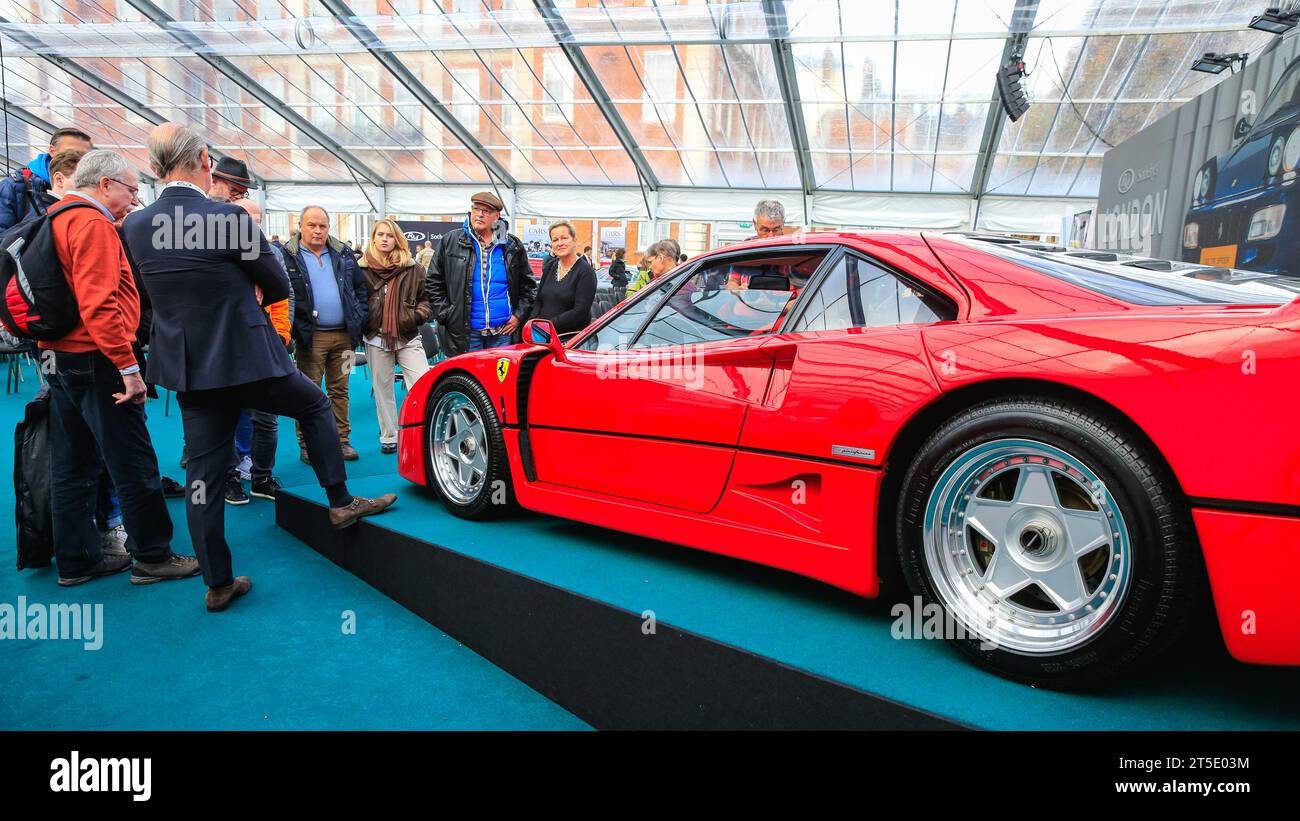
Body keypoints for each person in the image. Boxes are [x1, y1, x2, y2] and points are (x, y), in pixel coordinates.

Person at [121, 123, 396, 612]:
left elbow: (147, 296)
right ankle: (339, 502)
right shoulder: (227, 218)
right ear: (203, 160)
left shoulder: (136, 226)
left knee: (204, 475)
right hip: (248, 360)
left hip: (191, 370)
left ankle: (218, 580)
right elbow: (278, 283)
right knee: (314, 406)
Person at [39, 148, 200, 587]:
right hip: (98, 359)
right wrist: (128, 367)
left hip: (60, 356)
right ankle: (152, 555)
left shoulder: (58, 216)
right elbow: (100, 305)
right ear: (105, 184)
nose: (133, 199)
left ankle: (76, 560)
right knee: (132, 459)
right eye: (130, 189)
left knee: (73, 463)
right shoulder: (92, 224)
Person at [283, 205, 368, 463]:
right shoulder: (288, 256)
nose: (317, 230)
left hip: (345, 337)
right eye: (312, 225)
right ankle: (308, 444)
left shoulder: (343, 254)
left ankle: (342, 441)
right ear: (301, 226)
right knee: (308, 392)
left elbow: (360, 290)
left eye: (322, 226)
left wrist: (359, 317)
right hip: (311, 339)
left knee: (341, 390)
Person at [222, 195, 293, 503]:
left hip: (264, 346)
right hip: (224, 348)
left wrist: (281, 336)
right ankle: (230, 478)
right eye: (246, 217)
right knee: (226, 416)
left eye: (257, 219)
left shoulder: (271, 254)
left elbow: (281, 298)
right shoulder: (215, 251)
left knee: (268, 417)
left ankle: (262, 477)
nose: (252, 224)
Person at [428, 191, 536, 356]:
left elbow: (528, 286)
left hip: (503, 332)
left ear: (497, 216)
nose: (479, 214)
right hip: (466, 332)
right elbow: (433, 282)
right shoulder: (450, 241)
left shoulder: (512, 245)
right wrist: (447, 315)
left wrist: (518, 316)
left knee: (500, 381)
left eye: (486, 211)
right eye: (476, 208)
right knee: (469, 380)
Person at [361, 219, 432, 454]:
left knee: (422, 384)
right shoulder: (361, 268)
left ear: (397, 239)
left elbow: (426, 300)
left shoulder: (414, 268)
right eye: (380, 234)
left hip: (408, 336)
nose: (384, 239)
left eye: (389, 235)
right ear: (373, 238)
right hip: (375, 337)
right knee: (382, 390)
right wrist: (365, 320)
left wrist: (415, 316)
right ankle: (389, 437)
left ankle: (423, 434)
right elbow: (354, 300)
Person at [0, 126, 93, 230]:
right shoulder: (15, 186)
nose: (78, 159)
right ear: (52, 151)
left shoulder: (91, 187)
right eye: (71, 152)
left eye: (85, 156)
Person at [529, 221, 596, 336]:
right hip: (542, 336)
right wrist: (531, 323)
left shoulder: (586, 272)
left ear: (574, 240)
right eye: (555, 240)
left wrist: (547, 326)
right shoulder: (550, 266)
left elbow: (580, 312)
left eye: (564, 238)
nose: (559, 243)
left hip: (568, 340)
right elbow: (539, 300)